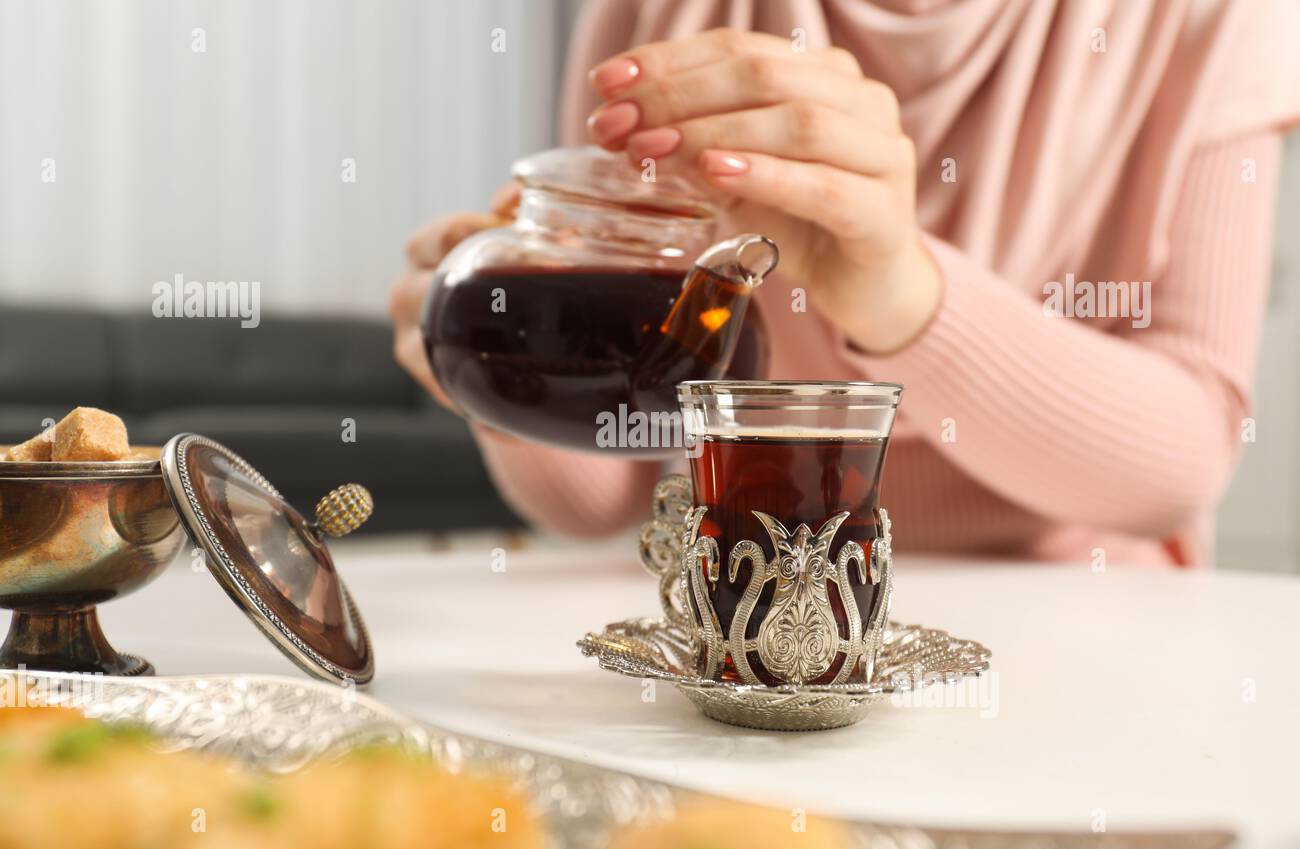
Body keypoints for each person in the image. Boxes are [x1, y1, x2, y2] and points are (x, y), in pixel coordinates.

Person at [389, 0, 1299, 566]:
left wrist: (902, 295)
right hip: (730, 617)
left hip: (1076, 630)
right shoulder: (661, 14)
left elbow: (1184, 461)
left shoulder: (1209, 18)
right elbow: (604, 500)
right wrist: (495, 373)